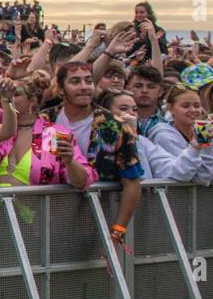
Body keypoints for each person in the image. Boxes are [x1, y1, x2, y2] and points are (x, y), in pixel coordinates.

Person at [40, 62, 144, 242]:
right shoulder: (44, 121)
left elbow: (132, 183)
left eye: (88, 81)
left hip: (99, 223)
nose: (84, 87)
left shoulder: (115, 127)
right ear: (61, 88)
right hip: (49, 223)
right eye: (75, 81)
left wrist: (117, 231)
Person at [0, 81, 95, 190]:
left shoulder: (53, 134)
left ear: (33, 100)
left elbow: (83, 182)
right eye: (1, 95)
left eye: (14, 94)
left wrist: (70, 162)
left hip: (37, 206)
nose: (5, 97)